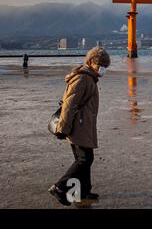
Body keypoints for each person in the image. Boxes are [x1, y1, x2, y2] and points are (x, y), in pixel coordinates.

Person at [48, 46, 110, 206]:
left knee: (83, 159)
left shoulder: (89, 78)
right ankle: (60, 187)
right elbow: (69, 104)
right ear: (91, 62)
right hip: (78, 127)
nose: (103, 69)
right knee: (84, 159)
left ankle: (83, 192)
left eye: (105, 67)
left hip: (82, 126)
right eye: (101, 65)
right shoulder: (83, 78)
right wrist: (62, 128)